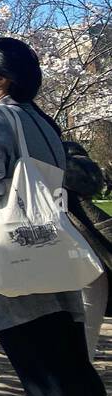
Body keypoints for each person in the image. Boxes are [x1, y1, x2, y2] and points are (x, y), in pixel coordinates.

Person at [0, 36, 111, 396]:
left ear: (1, 79)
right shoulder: (42, 122)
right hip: (52, 254)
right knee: (70, 369)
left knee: (42, 379)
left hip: (14, 260)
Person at [62, 140, 112, 361]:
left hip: (81, 269)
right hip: (90, 270)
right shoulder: (93, 219)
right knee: (83, 348)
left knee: (79, 352)